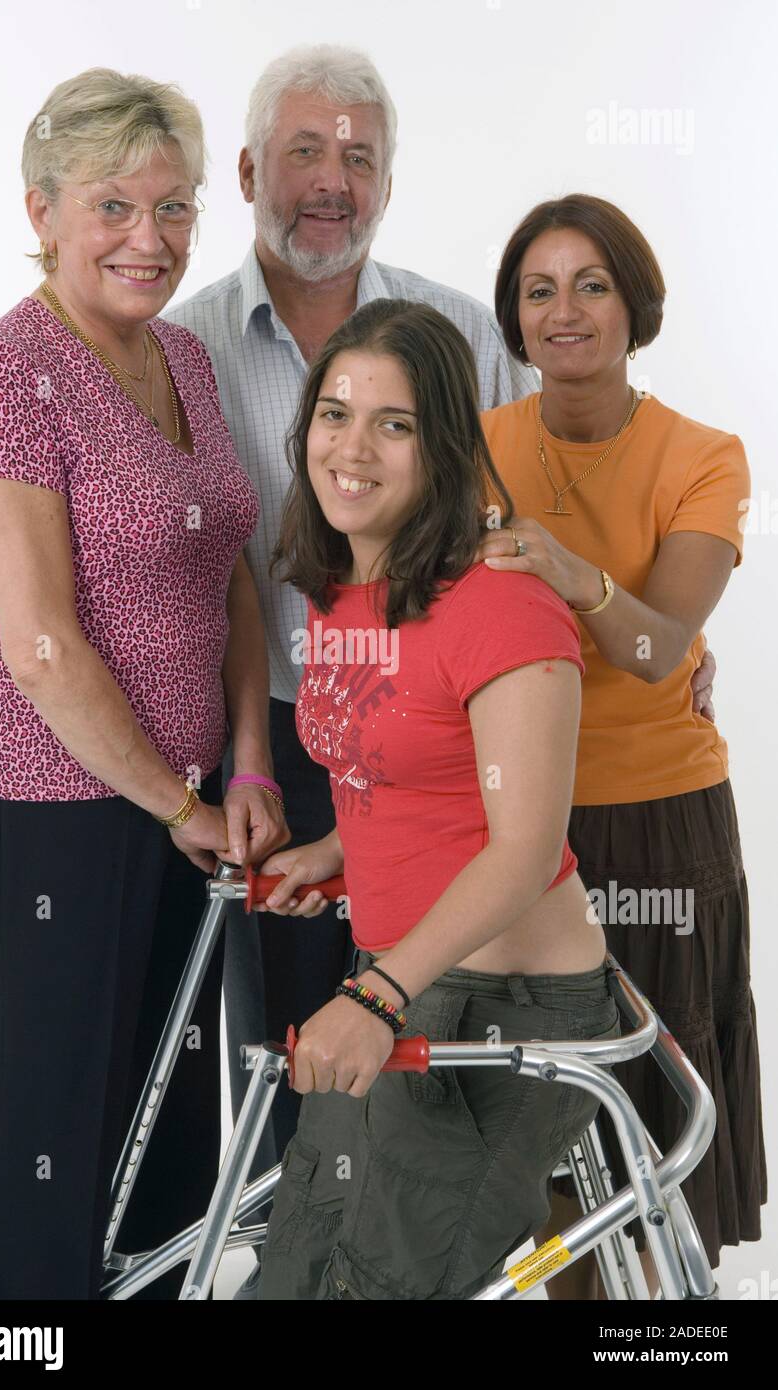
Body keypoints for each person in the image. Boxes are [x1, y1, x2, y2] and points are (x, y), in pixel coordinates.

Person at [0, 67, 286, 1300]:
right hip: (57, 811)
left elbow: (228, 573)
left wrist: (242, 765)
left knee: (172, 1128)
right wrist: (176, 806)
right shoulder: (1, 377)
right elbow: (39, 646)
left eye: (176, 208)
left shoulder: (181, 359)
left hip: (181, 803)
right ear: (42, 211)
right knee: (46, 1138)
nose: (152, 238)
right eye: (115, 208)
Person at [248, 295, 622, 1301]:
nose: (352, 446)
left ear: (445, 445)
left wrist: (375, 994)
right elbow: (396, 758)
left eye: (394, 423)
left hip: (509, 1008)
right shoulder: (341, 585)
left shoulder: (501, 602)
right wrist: (333, 851)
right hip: (401, 972)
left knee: (368, 1284)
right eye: (334, 412)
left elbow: (522, 845)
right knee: (287, 1268)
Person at [479, 193, 763, 1294]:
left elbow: (655, 647)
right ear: (512, 314)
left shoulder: (703, 455)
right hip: (517, 824)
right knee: (546, 1115)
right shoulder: (479, 445)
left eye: (590, 285)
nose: (563, 312)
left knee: (650, 1121)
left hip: (657, 826)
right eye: (537, 290)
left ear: (631, 305)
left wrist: (566, 570)